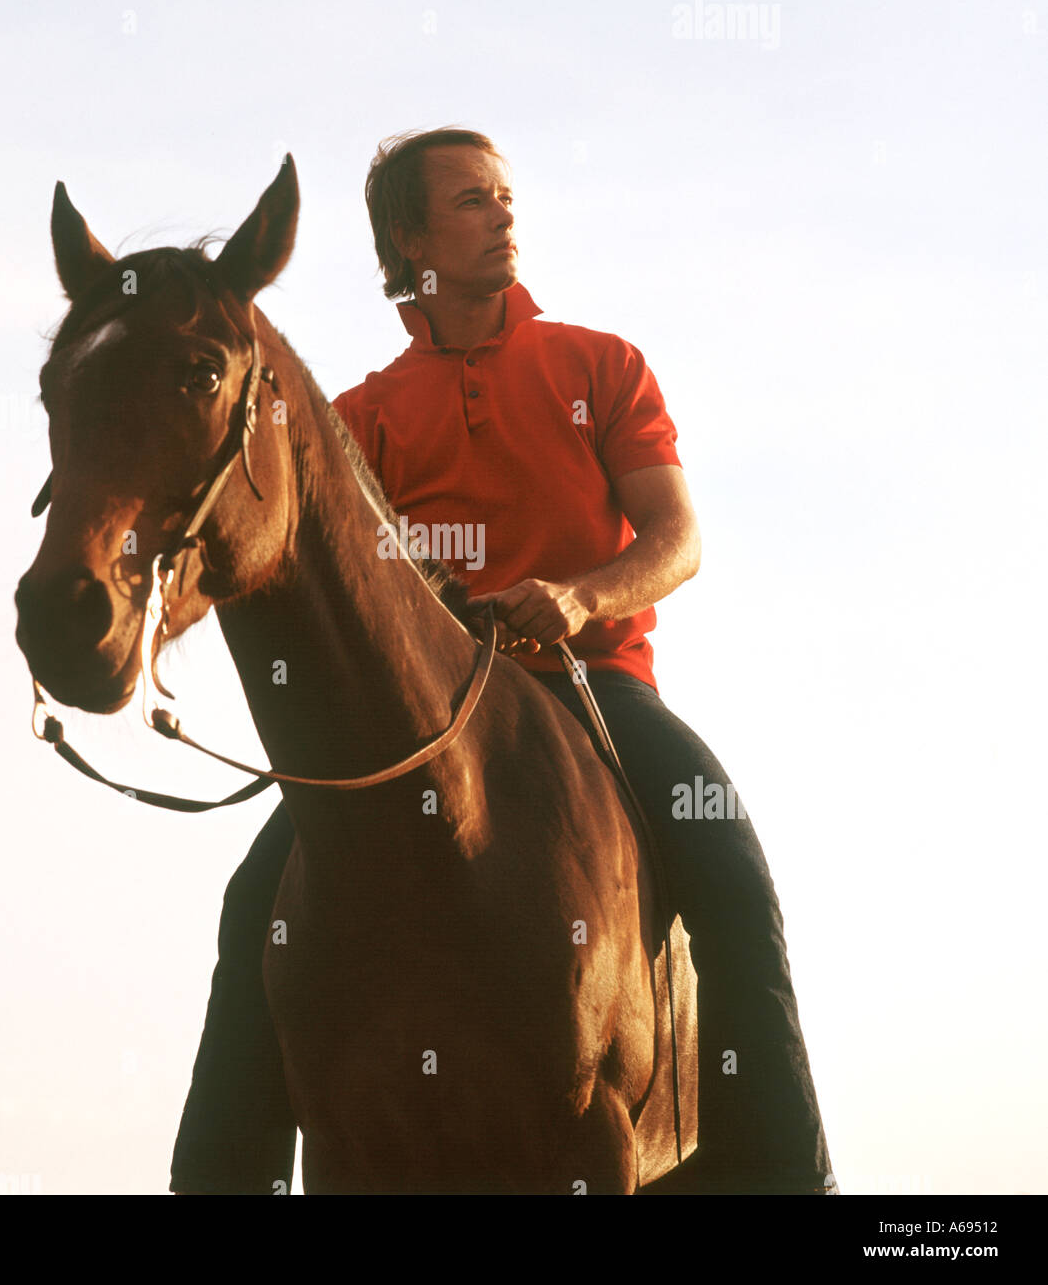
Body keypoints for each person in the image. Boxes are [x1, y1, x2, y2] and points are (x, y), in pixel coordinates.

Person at [169, 127, 835, 1195]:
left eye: (504, 194)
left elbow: (678, 538)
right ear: (410, 238)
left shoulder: (598, 365)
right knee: (257, 903)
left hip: (595, 693)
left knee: (730, 869)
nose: (504, 214)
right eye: (473, 199)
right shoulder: (360, 422)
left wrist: (582, 599)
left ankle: (791, 1186)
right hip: (418, 731)